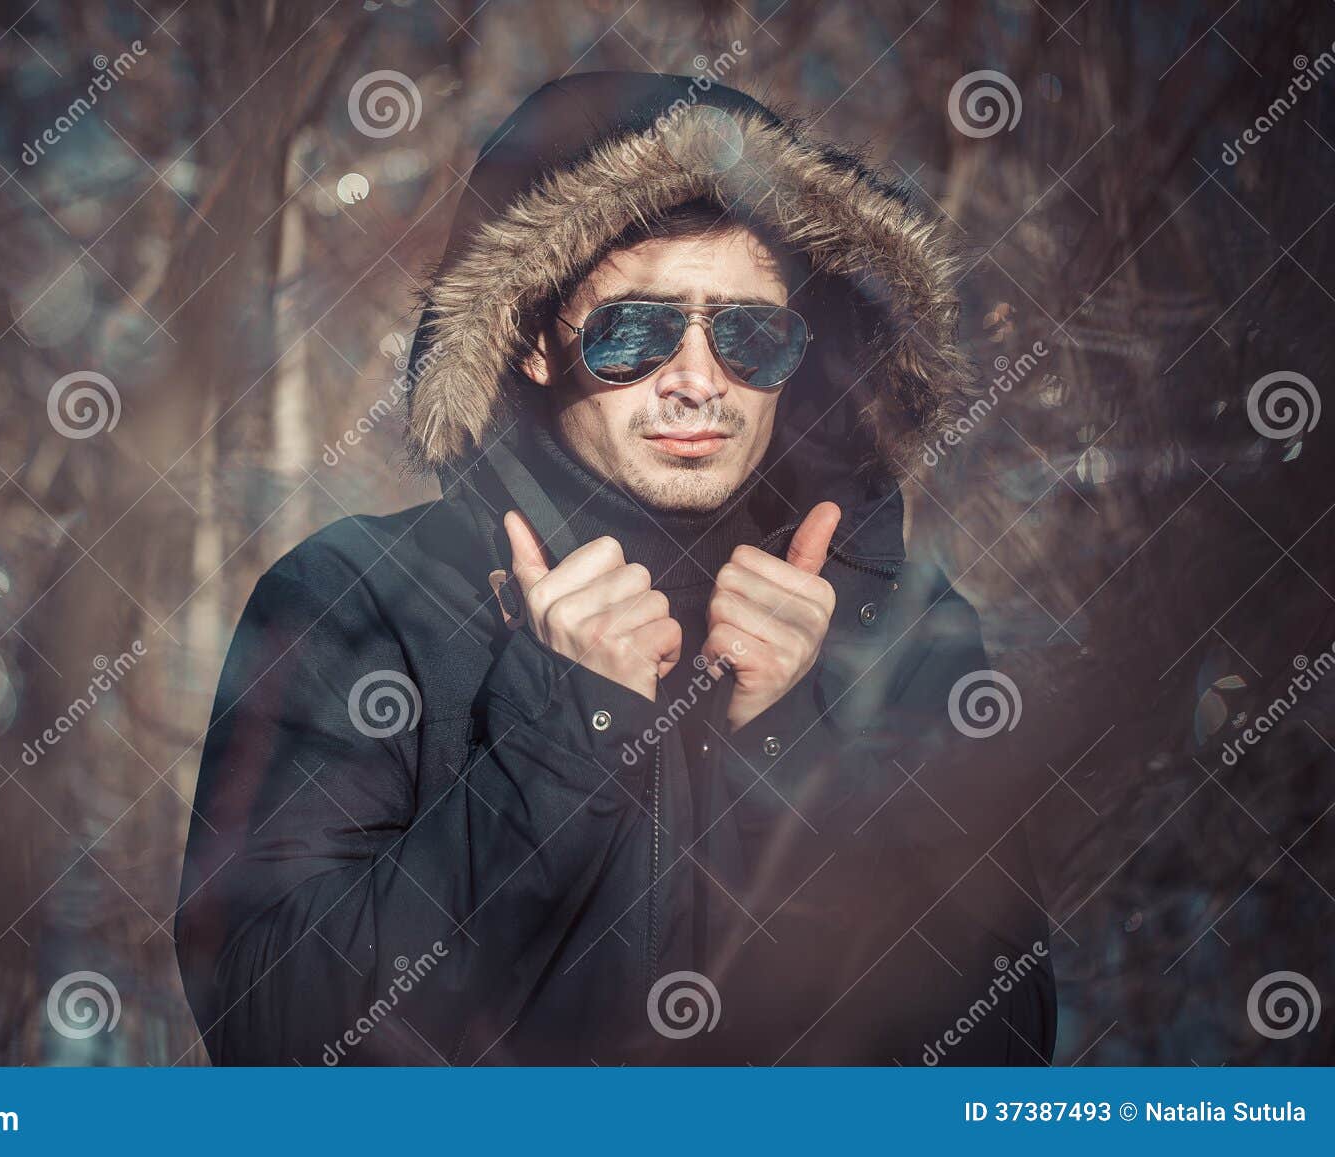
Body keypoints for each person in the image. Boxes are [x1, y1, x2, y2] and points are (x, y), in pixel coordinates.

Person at [176, 71, 1056, 1065]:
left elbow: (1002, 1054)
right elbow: (263, 1023)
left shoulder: (902, 622)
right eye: (634, 328)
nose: (695, 377)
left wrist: (794, 747)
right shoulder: (359, 597)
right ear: (536, 340)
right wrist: (560, 741)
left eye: (748, 333)